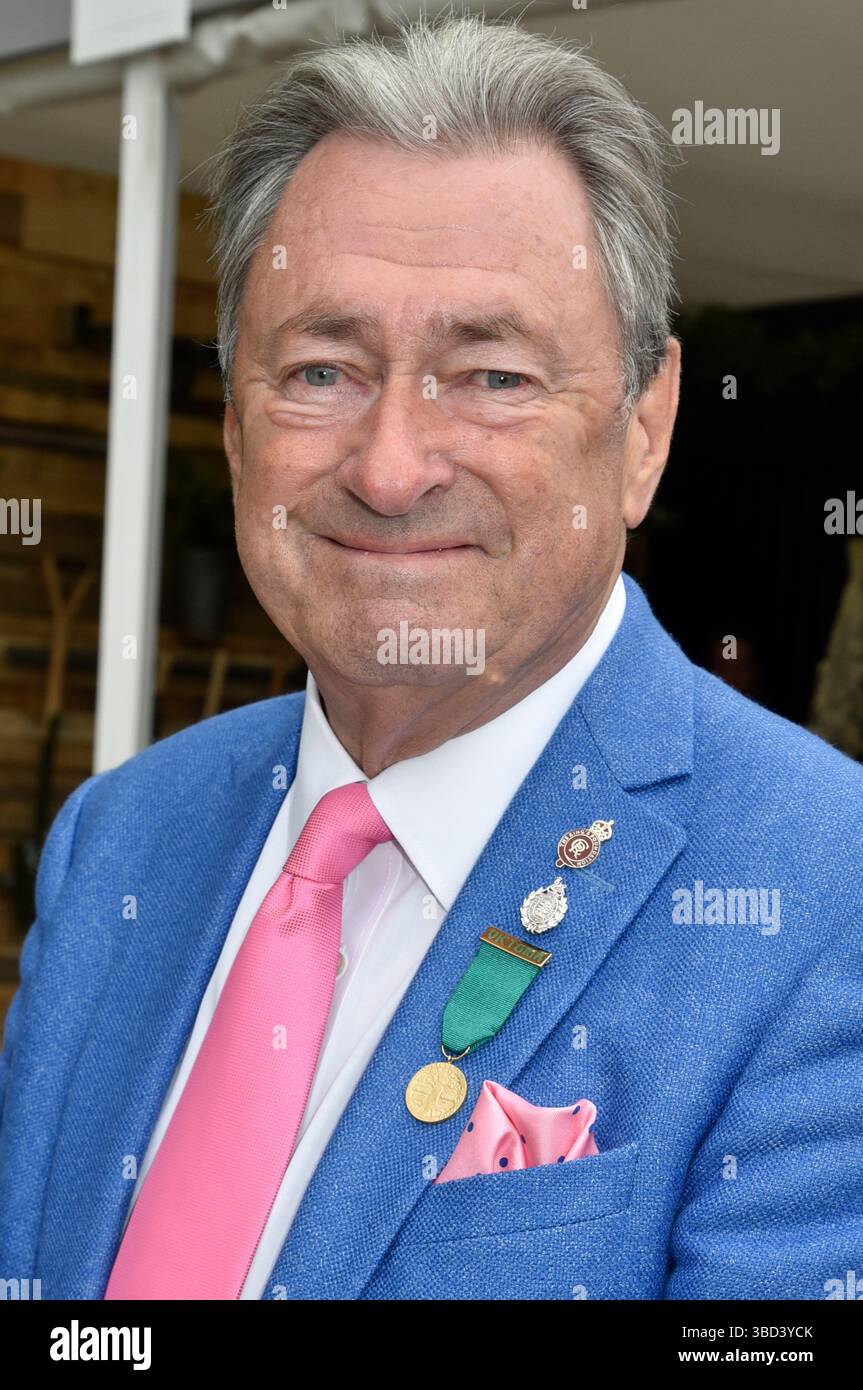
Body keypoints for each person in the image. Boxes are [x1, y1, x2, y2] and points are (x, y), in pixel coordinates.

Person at [1, 12, 861, 1302]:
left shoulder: (824, 900)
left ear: (645, 427)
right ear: (234, 425)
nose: (393, 466)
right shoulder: (120, 838)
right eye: (322, 370)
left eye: (495, 376)